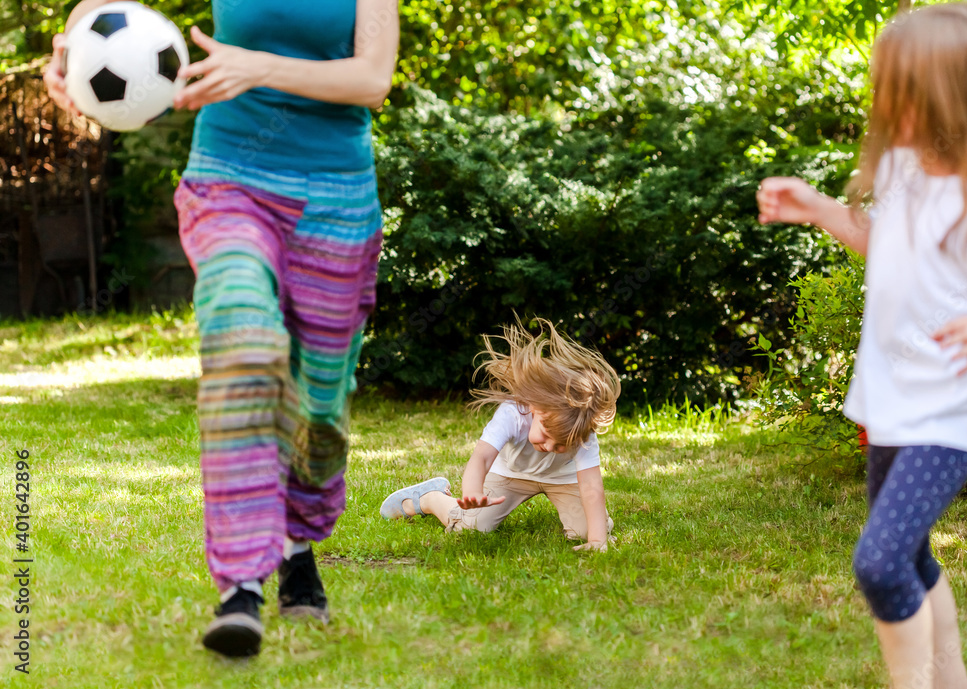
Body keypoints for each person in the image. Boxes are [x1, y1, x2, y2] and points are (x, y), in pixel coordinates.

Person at [45, 0, 399, 657]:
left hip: (337, 196)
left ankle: (297, 545)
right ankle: (241, 584)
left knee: (320, 411)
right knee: (242, 340)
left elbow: (372, 77)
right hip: (230, 179)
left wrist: (257, 67)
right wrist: (67, 48)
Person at [757, 4, 967, 687]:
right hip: (890, 395)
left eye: (898, 91)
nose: (883, 105)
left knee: (883, 561)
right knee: (915, 559)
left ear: (955, 97)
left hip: (954, 407)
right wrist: (818, 208)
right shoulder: (902, 167)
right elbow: (882, 246)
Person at [380, 320, 620, 551]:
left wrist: (598, 541)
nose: (549, 446)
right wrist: (472, 492)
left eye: (561, 445)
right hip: (509, 474)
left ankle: (592, 528)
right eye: (547, 435)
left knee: (588, 531)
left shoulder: (582, 429)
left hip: (561, 478)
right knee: (471, 528)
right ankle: (431, 498)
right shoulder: (512, 413)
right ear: (537, 406)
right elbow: (482, 458)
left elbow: (591, 487)